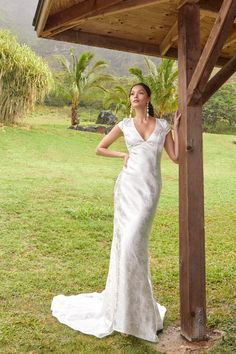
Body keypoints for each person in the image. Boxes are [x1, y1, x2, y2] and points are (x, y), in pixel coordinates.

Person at [51, 83, 181, 343]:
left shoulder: (164, 125)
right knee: (127, 248)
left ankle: (140, 314)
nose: (134, 97)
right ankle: (126, 314)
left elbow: (176, 157)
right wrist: (122, 152)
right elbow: (99, 148)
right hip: (128, 189)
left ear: (148, 98)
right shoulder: (124, 125)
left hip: (149, 192)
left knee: (135, 246)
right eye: (132, 94)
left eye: (139, 93)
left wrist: (179, 128)